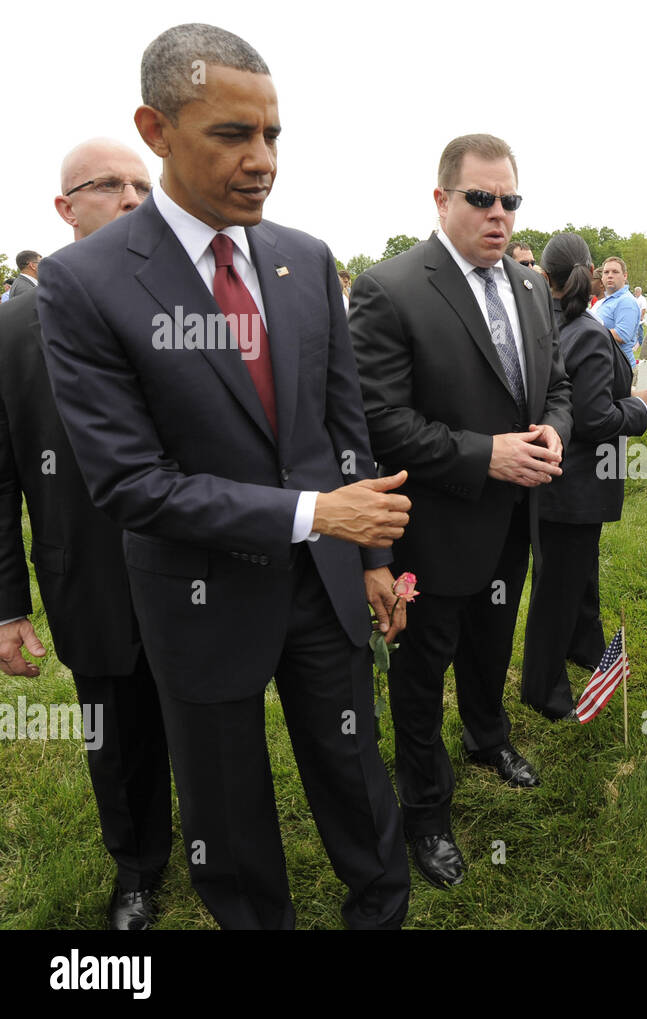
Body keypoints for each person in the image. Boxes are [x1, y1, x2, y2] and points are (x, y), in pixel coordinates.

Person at [36, 23, 412, 930]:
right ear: (156, 129)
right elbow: (129, 483)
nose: (262, 160)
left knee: (356, 774)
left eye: (272, 135)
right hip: (195, 596)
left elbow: (340, 425)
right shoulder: (85, 285)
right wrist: (316, 511)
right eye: (232, 135)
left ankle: (383, 908)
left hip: (325, 583)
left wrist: (363, 552)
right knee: (229, 816)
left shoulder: (305, 257)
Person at [347, 133, 572, 891]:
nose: (499, 213)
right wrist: (486, 455)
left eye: (511, 199)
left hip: (514, 526)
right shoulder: (390, 287)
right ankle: (426, 810)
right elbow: (378, 419)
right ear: (441, 199)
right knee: (420, 676)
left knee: (489, 644)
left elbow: (560, 386)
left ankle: (487, 736)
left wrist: (553, 432)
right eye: (481, 198)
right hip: (432, 535)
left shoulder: (534, 287)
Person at [0, 138, 171, 931]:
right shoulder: (14, 329)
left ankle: (224, 847)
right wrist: (8, 607)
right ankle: (136, 867)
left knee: (209, 723)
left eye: (145, 183)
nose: (135, 197)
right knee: (117, 735)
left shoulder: (190, 306)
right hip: (87, 577)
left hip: (193, 568)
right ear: (66, 208)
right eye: (112, 185)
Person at [520, 234, 647, 719]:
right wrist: (639, 408)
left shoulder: (544, 322)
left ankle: (585, 646)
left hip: (549, 475)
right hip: (573, 480)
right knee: (556, 588)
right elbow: (594, 419)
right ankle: (542, 687)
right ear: (591, 272)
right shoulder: (588, 333)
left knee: (578, 575)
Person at [597, 256, 641, 367]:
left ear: (625, 276)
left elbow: (622, 335)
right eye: (606, 272)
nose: (610, 275)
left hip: (618, 366)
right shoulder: (609, 299)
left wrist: (591, 329)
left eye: (615, 272)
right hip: (607, 363)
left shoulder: (626, 301)